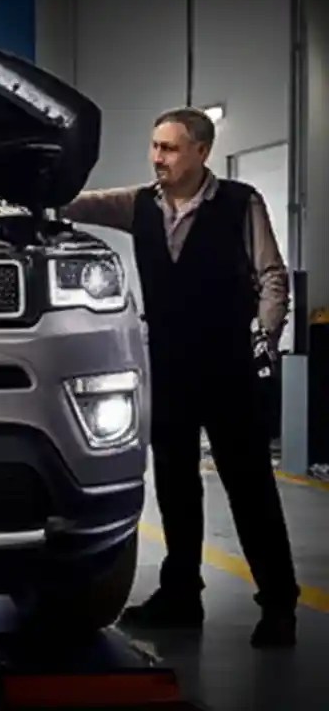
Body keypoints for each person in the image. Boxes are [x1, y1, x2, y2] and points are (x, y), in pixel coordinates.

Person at [59, 107, 299, 648]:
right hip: (168, 368)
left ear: (201, 153)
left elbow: (272, 277)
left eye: (168, 149)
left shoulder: (240, 203)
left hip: (230, 369)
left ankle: (280, 605)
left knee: (250, 489)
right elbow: (79, 204)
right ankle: (181, 595)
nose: (157, 158)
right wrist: (34, 192)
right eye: (154, 146)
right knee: (174, 486)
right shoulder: (140, 204)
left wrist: (265, 338)